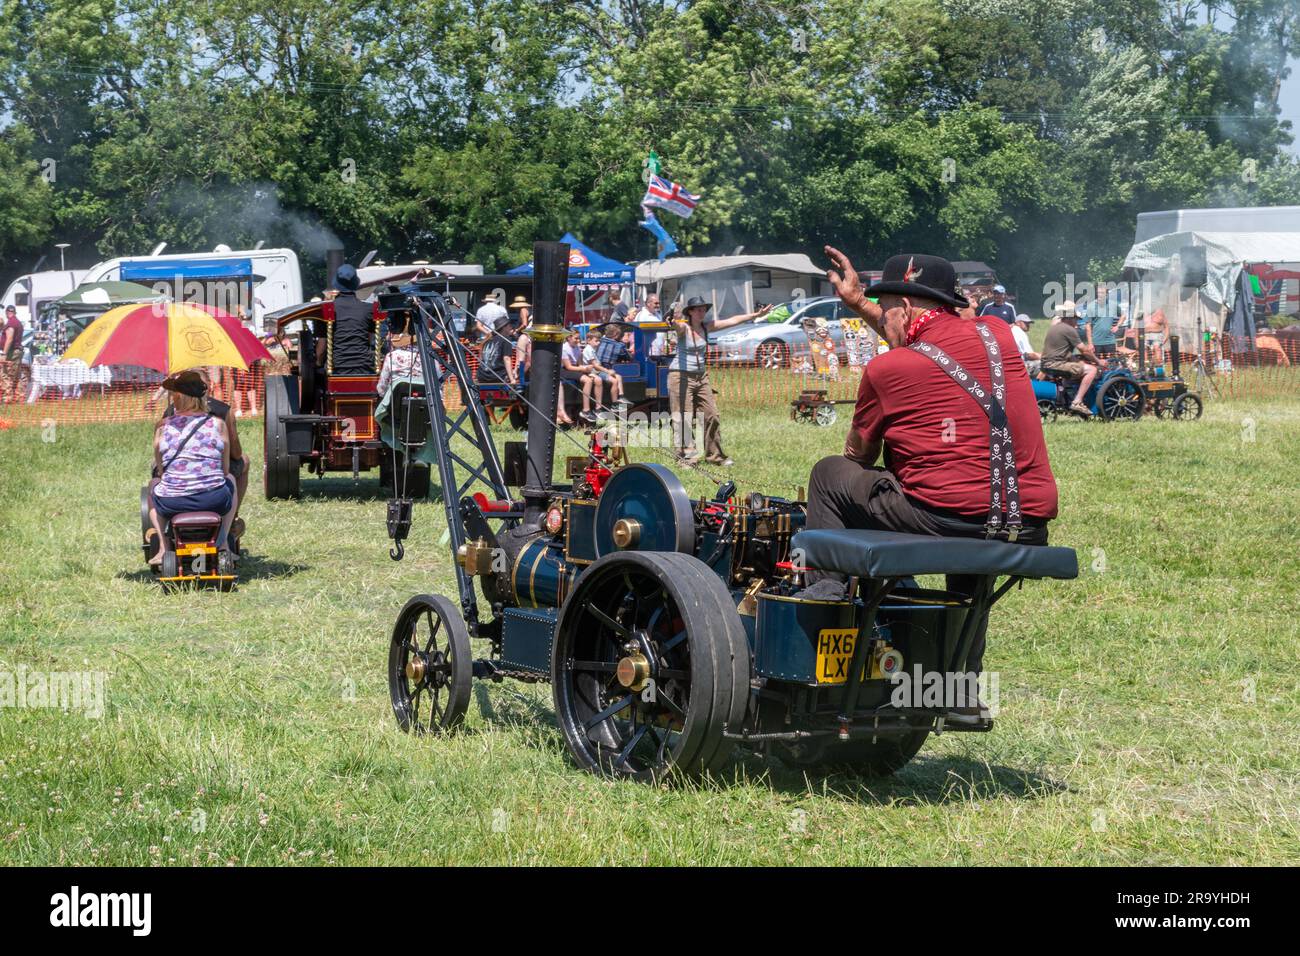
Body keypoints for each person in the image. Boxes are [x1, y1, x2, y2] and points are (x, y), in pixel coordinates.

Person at [801, 249, 1059, 610]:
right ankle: (959, 655)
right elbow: (932, 334)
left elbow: (858, 455)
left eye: (886, 310)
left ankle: (825, 599)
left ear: (904, 309)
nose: (882, 324)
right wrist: (860, 302)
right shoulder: (998, 334)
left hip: (944, 520)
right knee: (969, 508)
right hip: (1024, 519)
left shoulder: (886, 368)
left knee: (830, 474)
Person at [148, 370, 238, 565]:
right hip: (214, 500)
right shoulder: (218, 424)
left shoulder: (162, 426)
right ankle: (223, 544)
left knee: (153, 484)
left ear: (178, 396)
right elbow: (224, 470)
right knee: (230, 480)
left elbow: (162, 472)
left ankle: (164, 547)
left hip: (172, 503)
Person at [668, 295, 772, 466]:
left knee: (712, 415)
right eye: (699, 310)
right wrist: (671, 319)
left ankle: (714, 456)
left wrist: (755, 315)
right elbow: (675, 325)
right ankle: (686, 457)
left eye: (704, 310)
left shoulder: (707, 327)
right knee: (684, 417)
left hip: (701, 377)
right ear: (691, 312)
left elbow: (733, 320)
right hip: (680, 376)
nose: (702, 313)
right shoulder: (683, 328)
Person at [1040, 300, 1103, 417]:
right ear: (1070, 318)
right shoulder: (1069, 330)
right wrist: (1099, 362)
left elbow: (1061, 352)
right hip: (1055, 365)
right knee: (1092, 370)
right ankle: (1077, 401)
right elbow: (1084, 350)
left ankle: (1069, 400)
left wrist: (1078, 361)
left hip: (1045, 365)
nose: (1077, 322)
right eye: (1075, 319)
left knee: (1078, 368)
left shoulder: (1054, 328)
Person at [317, 264, 376, 374]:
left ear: (337, 285)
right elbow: (368, 339)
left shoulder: (325, 310)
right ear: (355, 284)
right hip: (365, 368)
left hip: (336, 368)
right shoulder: (369, 309)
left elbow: (321, 348)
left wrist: (318, 363)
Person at [562, 329, 601, 422]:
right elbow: (568, 367)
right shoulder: (564, 348)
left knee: (596, 379)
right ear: (568, 338)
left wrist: (587, 369)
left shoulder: (577, 348)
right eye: (576, 338)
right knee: (587, 380)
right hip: (565, 370)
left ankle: (598, 408)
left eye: (579, 338)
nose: (578, 341)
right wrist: (583, 369)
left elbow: (580, 364)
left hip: (576, 369)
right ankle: (586, 410)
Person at [583, 329, 623, 406]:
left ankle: (621, 396)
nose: (598, 343)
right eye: (596, 341)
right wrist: (607, 371)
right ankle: (614, 404)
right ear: (589, 340)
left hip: (596, 371)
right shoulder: (588, 350)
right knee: (614, 381)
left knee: (618, 377)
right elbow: (595, 365)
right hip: (594, 372)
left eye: (599, 341)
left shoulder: (593, 349)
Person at [1084, 283, 1124, 359]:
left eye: (1102, 293)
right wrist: (1090, 343)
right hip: (1096, 342)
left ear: (1106, 294)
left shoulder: (1113, 304)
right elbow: (1088, 326)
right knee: (1097, 365)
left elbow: (1123, 315)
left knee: (1111, 364)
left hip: (1110, 341)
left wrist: (1117, 326)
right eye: (1098, 292)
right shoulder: (1091, 306)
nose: (1100, 295)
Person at [2, 304, 24, 401]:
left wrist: (4, 354)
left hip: (11, 352)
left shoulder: (11, 323)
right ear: (14, 312)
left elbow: (9, 339)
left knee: (6, 374)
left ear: (7, 313)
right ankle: (19, 396)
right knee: (17, 375)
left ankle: (8, 397)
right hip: (17, 351)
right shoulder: (18, 322)